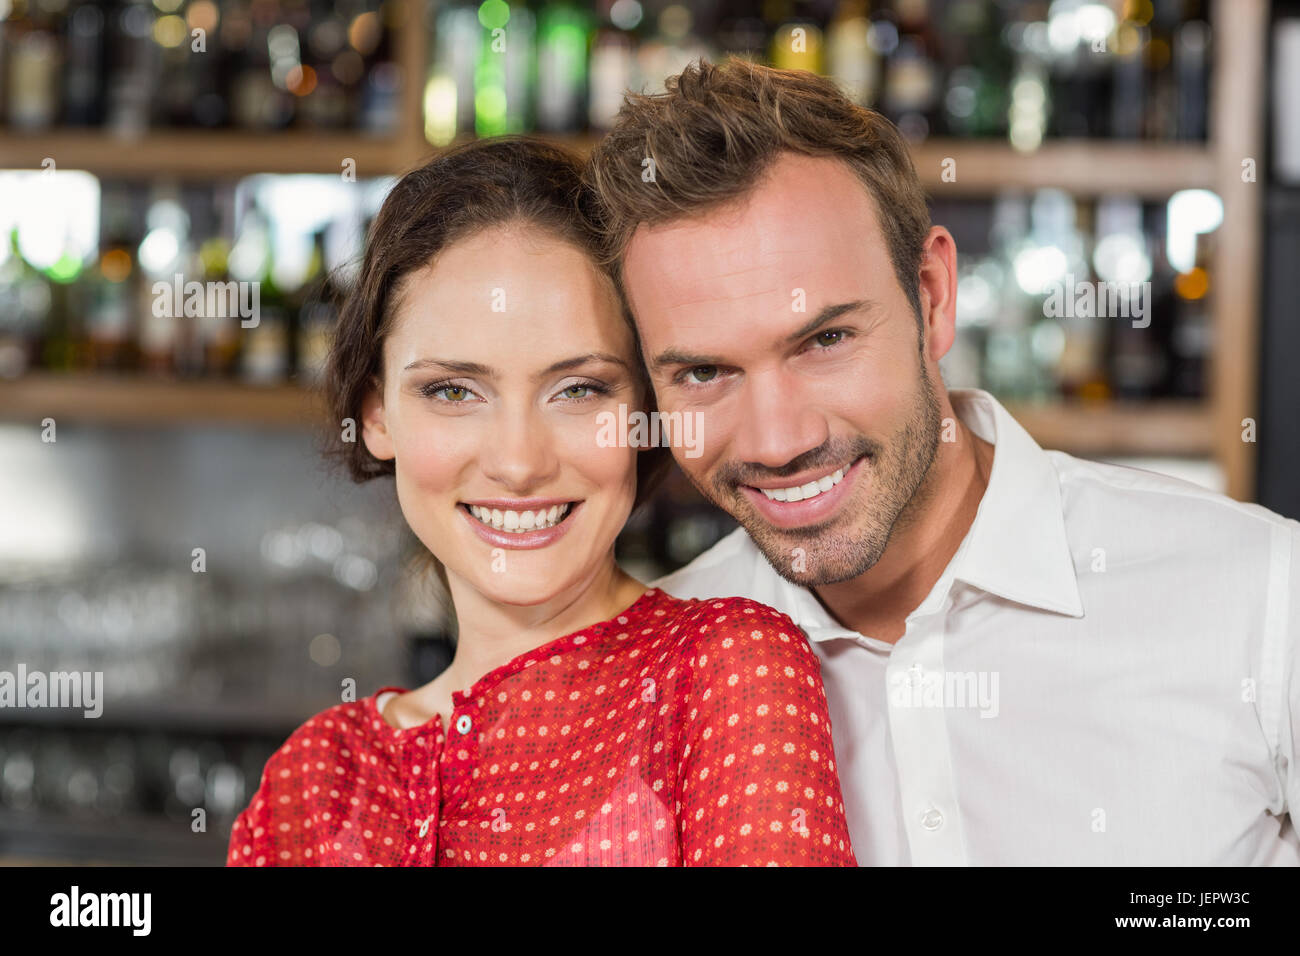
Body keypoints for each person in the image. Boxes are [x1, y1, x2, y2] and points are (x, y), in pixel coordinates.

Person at [586, 58, 1300, 865]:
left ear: (931, 296)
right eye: (704, 373)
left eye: (826, 341)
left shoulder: (1261, 596)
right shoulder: (641, 678)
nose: (776, 441)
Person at [227, 136, 855, 867]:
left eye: (579, 389)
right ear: (376, 413)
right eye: (453, 391)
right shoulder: (315, 779)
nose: (519, 463)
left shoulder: (726, 675)